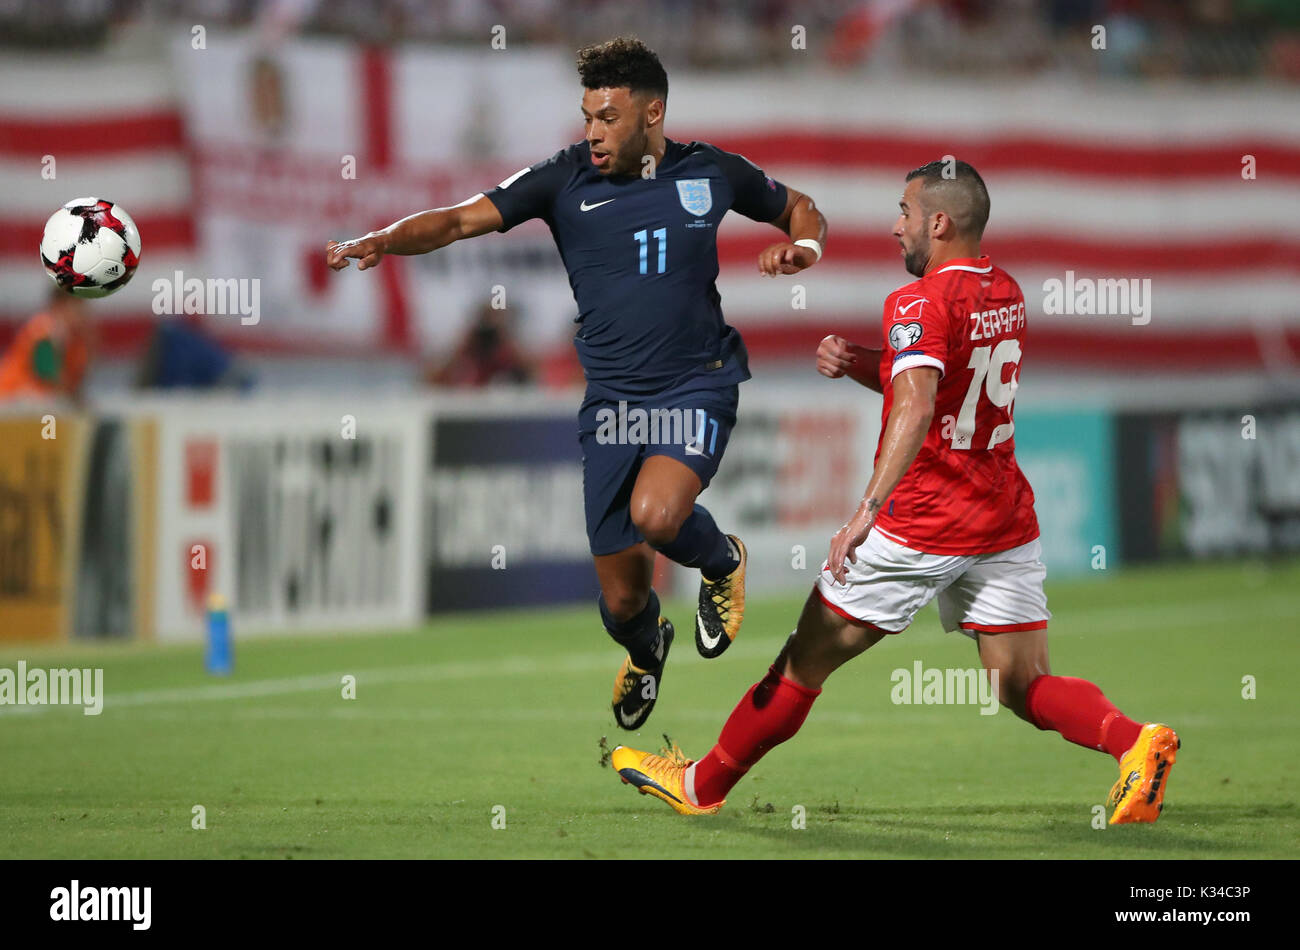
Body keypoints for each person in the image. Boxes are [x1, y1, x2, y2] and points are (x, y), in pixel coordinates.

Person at [612, 160, 1179, 825]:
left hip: (923, 524)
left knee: (802, 663)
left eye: (904, 213)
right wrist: (859, 363)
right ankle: (1134, 743)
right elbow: (941, 385)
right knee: (1023, 683)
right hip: (1002, 521)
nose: (894, 227)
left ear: (939, 222)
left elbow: (915, 406)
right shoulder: (1005, 292)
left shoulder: (915, 303)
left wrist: (865, 511)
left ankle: (700, 785)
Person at [327, 37, 827, 730]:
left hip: (697, 384)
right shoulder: (563, 180)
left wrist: (805, 246)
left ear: (652, 114)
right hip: (612, 405)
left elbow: (799, 205)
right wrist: (386, 237)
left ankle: (720, 560)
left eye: (609, 117)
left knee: (659, 516)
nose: (592, 132)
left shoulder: (711, 170)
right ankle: (648, 651)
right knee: (622, 602)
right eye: (588, 115)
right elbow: (456, 220)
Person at [0, 287, 92, 404]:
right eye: (76, 305)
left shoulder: (78, 340)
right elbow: (47, 377)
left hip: (37, 403)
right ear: (58, 306)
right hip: (12, 398)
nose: (82, 312)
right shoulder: (43, 330)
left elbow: (74, 383)